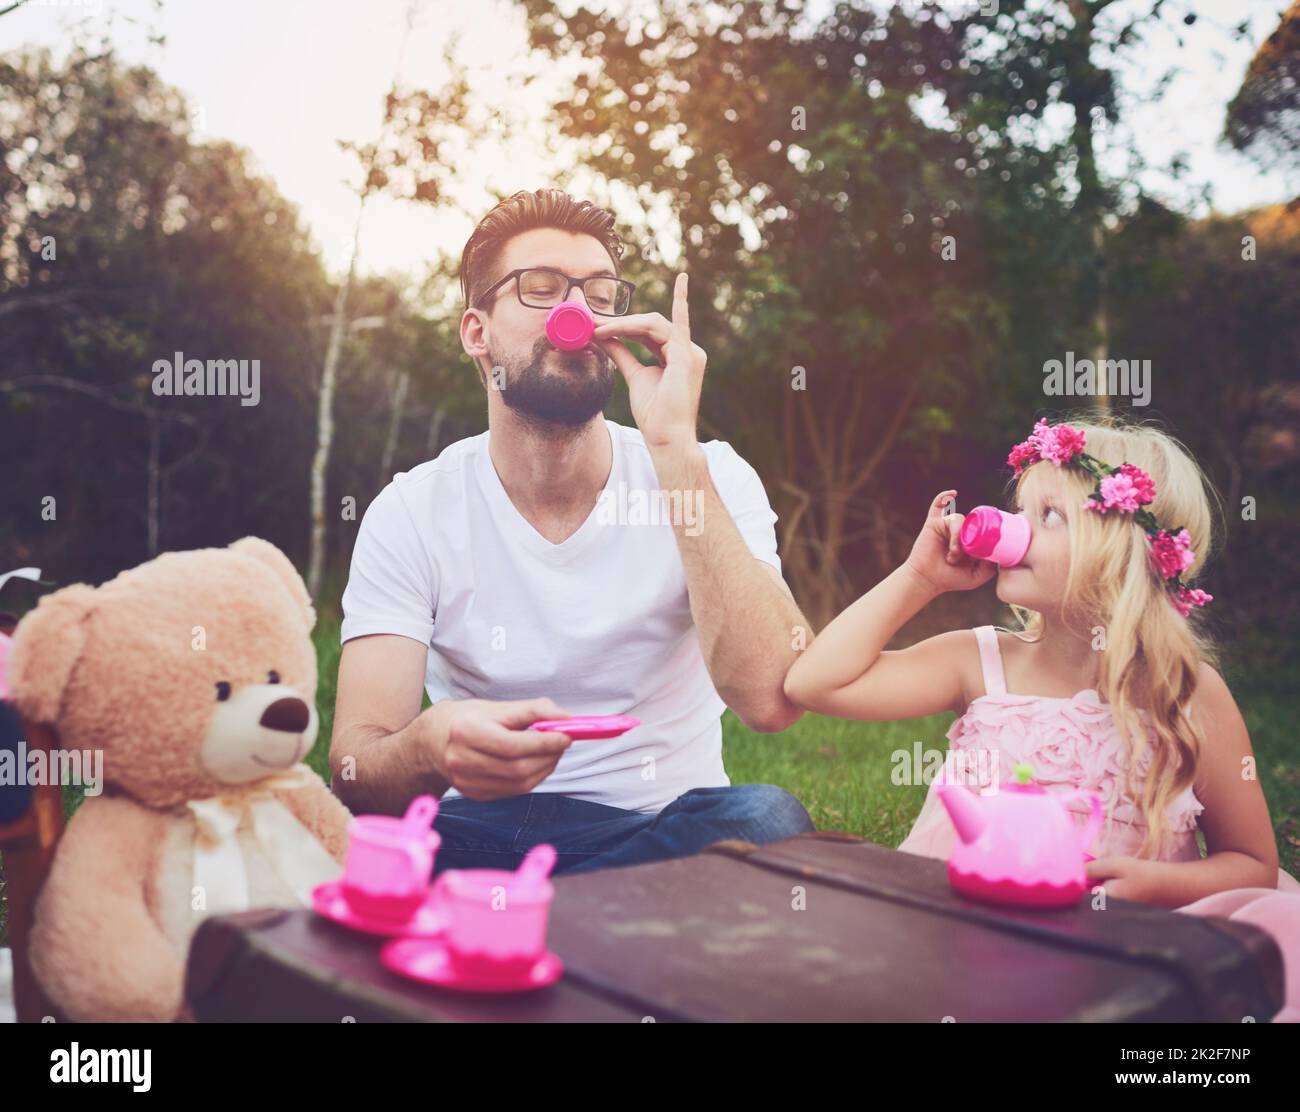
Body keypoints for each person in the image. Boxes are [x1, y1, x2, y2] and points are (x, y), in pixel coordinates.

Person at [331, 188, 815, 877]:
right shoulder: (411, 512)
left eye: (599, 292)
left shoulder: (710, 476)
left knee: (765, 820)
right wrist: (429, 748)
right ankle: (599, 927)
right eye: (541, 287)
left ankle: (524, 922)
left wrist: (676, 451)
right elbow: (355, 766)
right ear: (477, 331)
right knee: (329, 829)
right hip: (475, 825)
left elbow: (771, 698)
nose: (577, 312)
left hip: (655, 829)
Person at [784, 416, 1299, 1021]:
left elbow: (1253, 866)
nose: (1013, 530)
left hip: (1133, 953)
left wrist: (1153, 886)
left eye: (1048, 516)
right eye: (1019, 509)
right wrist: (919, 579)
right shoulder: (978, 662)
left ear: (1123, 551)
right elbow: (813, 683)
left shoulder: (1186, 694)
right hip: (969, 934)